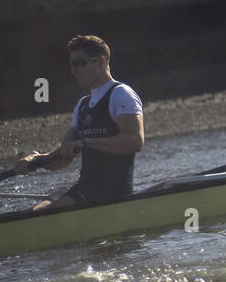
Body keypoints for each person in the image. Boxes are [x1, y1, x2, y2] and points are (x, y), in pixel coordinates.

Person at [14, 35, 144, 209]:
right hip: (85, 189)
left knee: (45, 213)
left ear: (101, 61)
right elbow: (62, 159)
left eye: (79, 63)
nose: (73, 70)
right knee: (35, 212)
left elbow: (135, 142)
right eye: (71, 65)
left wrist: (85, 142)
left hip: (111, 193)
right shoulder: (82, 105)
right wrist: (36, 160)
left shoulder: (121, 94)